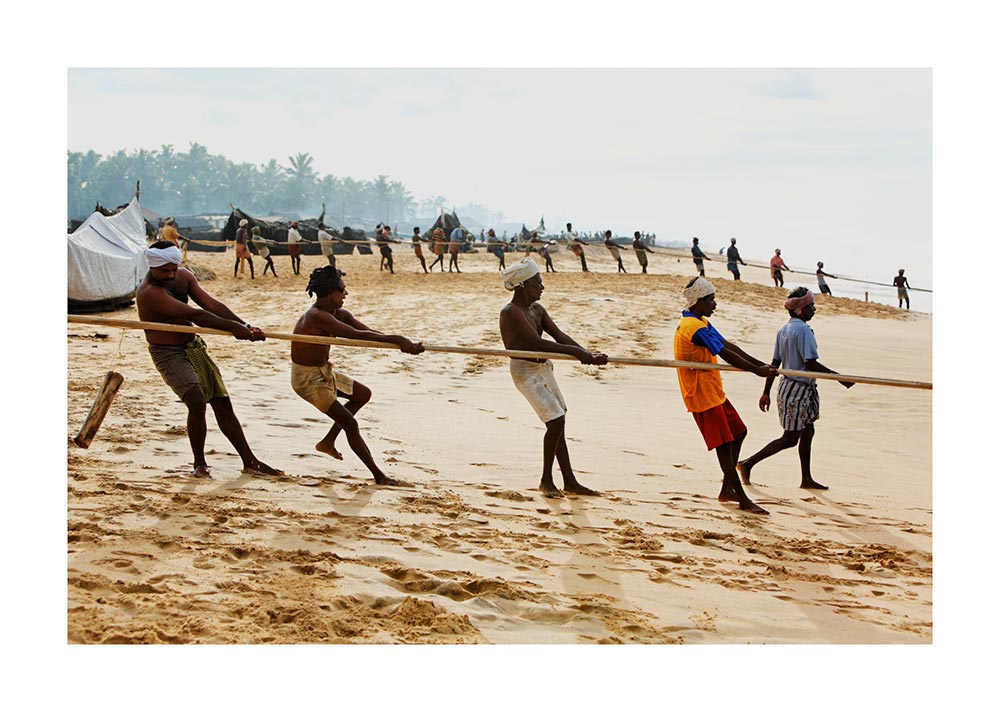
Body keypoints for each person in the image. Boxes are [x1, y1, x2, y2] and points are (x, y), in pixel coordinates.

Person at [136, 241, 282, 479]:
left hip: (193, 348)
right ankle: (199, 463)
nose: (170, 274)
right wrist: (234, 329)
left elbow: (211, 305)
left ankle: (250, 461)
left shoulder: (184, 277)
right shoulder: (149, 292)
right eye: (165, 271)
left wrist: (244, 325)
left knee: (222, 402)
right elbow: (194, 314)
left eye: (174, 269)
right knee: (195, 399)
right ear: (153, 266)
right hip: (168, 352)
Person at [291, 266, 425, 486]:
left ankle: (328, 441)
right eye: (342, 290)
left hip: (323, 371)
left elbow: (369, 334)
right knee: (350, 424)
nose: (346, 294)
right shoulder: (316, 316)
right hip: (307, 380)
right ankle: (379, 475)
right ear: (330, 293)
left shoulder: (339, 314)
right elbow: (354, 335)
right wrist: (399, 339)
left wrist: (404, 344)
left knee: (362, 394)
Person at [499, 258, 609, 498]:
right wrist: (577, 353)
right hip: (524, 371)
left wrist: (587, 353)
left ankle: (569, 481)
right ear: (522, 286)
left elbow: (558, 335)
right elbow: (535, 342)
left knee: (559, 420)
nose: (542, 286)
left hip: (543, 368)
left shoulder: (537, 310)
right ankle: (546, 480)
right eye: (537, 282)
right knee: (555, 420)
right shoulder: (511, 312)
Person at [673, 277, 777, 514]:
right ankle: (742, 499)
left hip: (713, 392)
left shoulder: (699, 321)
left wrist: (761, 366)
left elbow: (727, 345)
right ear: (698, 301)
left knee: (739, 432)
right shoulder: (693, 328)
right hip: (701, 395)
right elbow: (725, 354)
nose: (714, 304)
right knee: (724, 445)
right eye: (711, 300)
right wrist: (755, 371)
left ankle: (727, 489)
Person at [737, 287, 854, 490]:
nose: (814, 310)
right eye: (811, 306)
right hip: (797, 390)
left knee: (808, 430)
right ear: (800, 310)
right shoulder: (803, 330)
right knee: (790, 438)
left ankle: (806, 478)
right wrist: (839, 378)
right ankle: (747, 463)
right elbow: (810, 363)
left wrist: (766, 392)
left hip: (792, 387)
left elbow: (774, 364)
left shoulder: (784, 329)